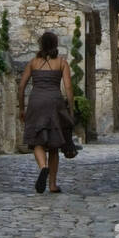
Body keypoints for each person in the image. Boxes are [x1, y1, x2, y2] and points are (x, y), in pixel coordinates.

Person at [18, 30, 75, 193]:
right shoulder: (62, 63)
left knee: (37, 141)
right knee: (54, 146)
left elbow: (21, 87)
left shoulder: (33, 63)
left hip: (36, 102)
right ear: (56, 45)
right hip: (54, 103)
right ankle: (52, 184)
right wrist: (71, 109)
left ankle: (43, 167)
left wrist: (22, 108)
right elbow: (69, 87)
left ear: (41, 45)